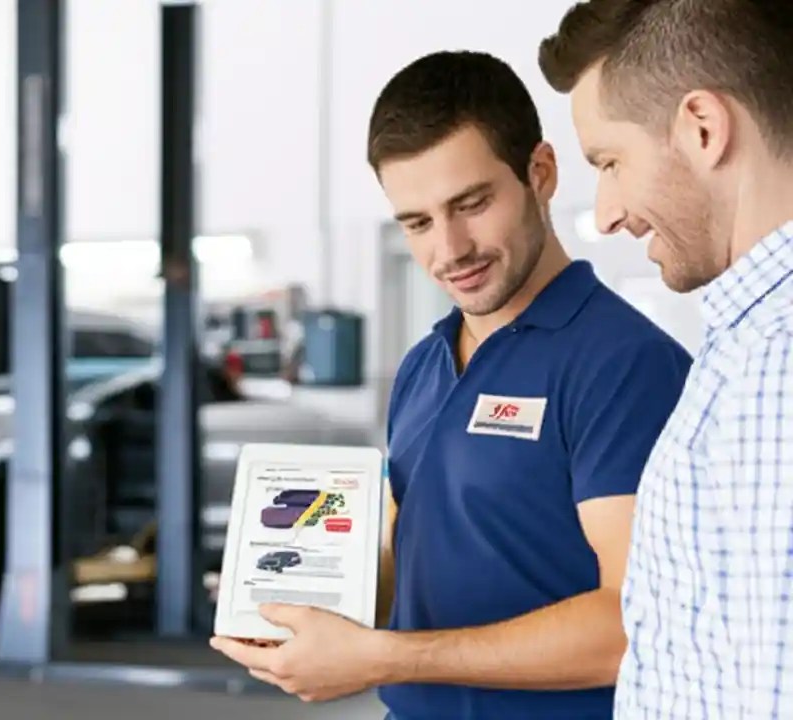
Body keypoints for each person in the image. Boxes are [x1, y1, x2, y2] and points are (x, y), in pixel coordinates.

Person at [210, 50, 693, 719]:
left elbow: (631, 625)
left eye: (471, 204)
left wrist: (383, 658)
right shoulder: (423, 366)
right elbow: (407, 558)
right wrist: (283, 603)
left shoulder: (625, 364)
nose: (449, 248)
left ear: (541, 174)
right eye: (417, 222)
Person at [538, 2, 793, 717]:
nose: (609, 211)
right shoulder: (741, 348)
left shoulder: (774, 370)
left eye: (610, 162)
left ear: (702, 128)